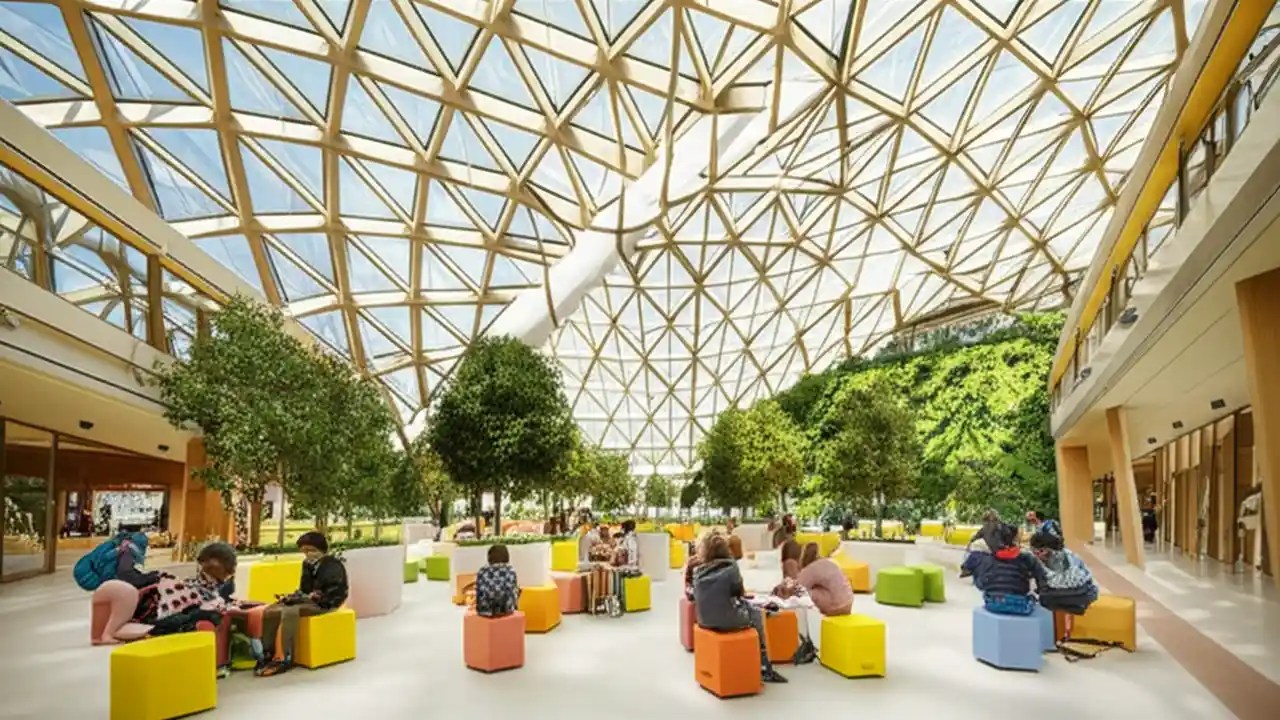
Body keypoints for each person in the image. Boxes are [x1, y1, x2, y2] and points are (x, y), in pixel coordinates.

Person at [692, 535, 787, 684]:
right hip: (727, 620)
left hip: (704, 620)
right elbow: (739, 593)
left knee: (747, 609)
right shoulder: (731, 567)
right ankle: (764, 664)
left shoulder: (697, 571)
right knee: (756, 613)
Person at [256, 532, 348, 677]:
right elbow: (304, 589)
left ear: (321, 549)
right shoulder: (307, 564)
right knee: (270, 610)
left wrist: (316, 597)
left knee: (290, 612)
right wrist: (294, 596)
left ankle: (285, 657)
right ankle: (268, 652)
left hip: (327, 603)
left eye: (311, 550)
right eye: (304, 551)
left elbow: (336, 592)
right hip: (308, 600)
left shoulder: (333, 566)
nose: (307, 554)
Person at [1030, 529, 1098, 641]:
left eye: (1040, 551)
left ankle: (1060, 631)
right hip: (1078, 592)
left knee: (1044, 598)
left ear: (1050, 549)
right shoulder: (1054, 556)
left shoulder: (1064, 558)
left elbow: (1071, 581)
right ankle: (1062, 629)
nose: (1037, 554)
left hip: (1081, 592)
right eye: (1034, 551)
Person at [979, 523, 1047, 616]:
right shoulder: (1026, 558)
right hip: (1020, 604)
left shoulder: (988, 559)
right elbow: (1042, 579)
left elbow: (981, 583)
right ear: (1015, 539)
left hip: (993, 603)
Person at [474, 544, 520, 618]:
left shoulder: (482, 571)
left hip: (484, 609)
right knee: (517, 590)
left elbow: (478, 590)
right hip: (505, 609)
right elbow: (512, 589)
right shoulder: (510, 570)